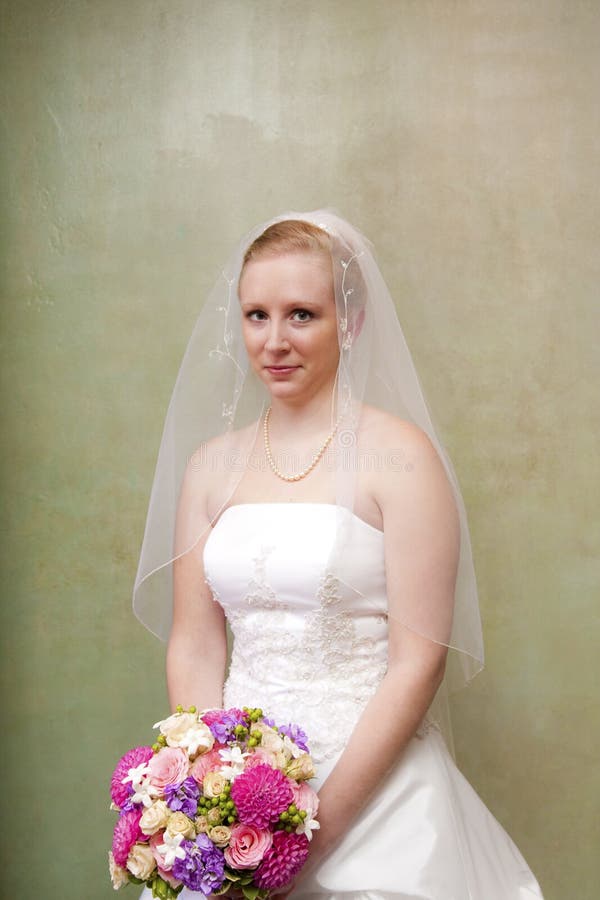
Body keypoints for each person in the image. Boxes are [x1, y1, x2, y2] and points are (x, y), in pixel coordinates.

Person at [134, 211, 544, 898]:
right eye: (256, 316)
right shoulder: (210, 468)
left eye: (301, 315)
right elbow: (196, 646)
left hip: (376, 793)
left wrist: (306, 833)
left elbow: (419, 662)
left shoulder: (400, 459)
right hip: (239, 797)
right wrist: (212, 805)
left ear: (348, 324)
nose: (273, 342)